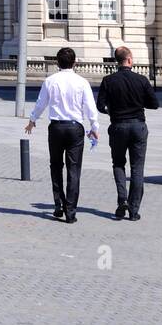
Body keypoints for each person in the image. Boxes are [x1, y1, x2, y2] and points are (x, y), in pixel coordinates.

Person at [25, 47, 99, 222]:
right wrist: (94, 127)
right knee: (74, 169)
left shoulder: (50, 81)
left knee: (56, 166)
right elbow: (90, 107)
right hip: (75, 128)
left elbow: (41, 103)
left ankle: (58, 204)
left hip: (56, 127)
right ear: (74, 62)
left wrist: (32, 120)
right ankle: (71, 211)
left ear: (57, 63)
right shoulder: (82, 82)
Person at [96, 45, 159, 221]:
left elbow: (100, 106)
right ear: (129, 60)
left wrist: (112, 111)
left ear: (117, 61)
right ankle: (133, 210)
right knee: (137, 168)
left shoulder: (108, 80)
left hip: (118, 126)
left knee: (118, 164)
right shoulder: (141, 80)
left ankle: (122, 199)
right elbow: (154, 104)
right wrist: (138, 103)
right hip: (138, 126)